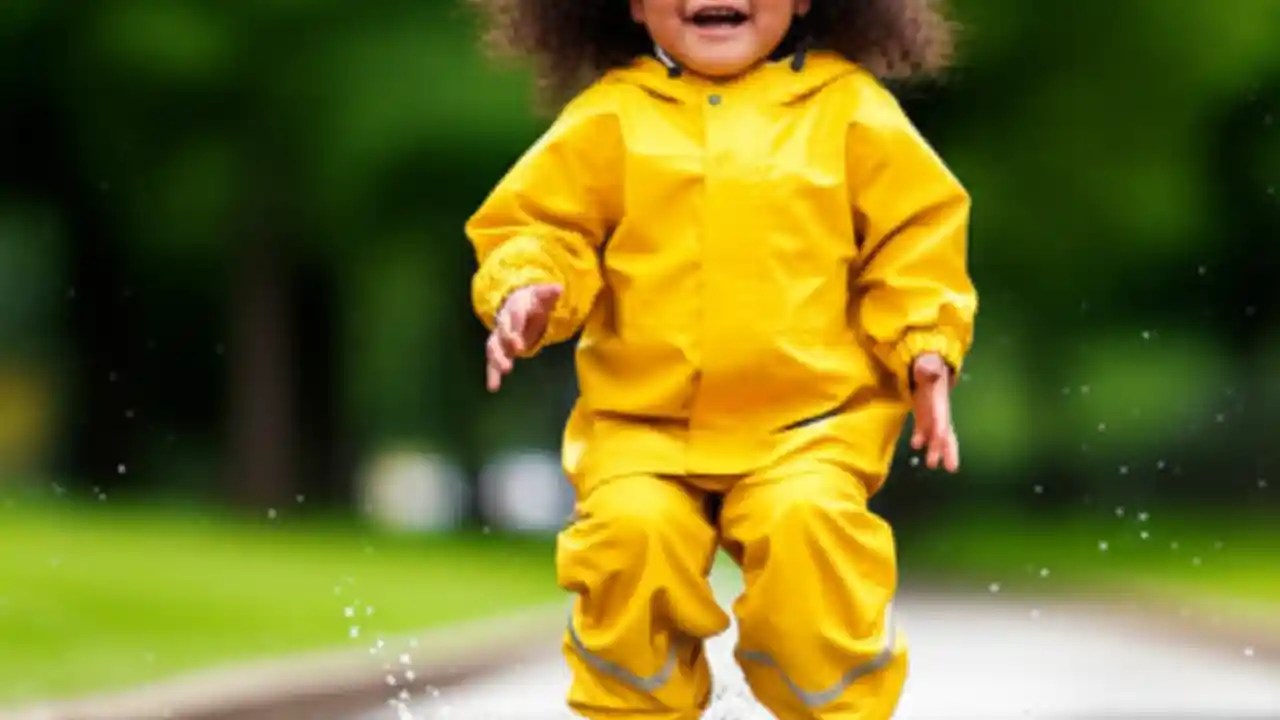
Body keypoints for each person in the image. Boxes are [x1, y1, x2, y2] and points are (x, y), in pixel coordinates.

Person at [465, 1, 977, 717]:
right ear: (635, 4)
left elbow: (914, 242)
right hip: (641, 429)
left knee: (810, 538)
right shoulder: (610, 117)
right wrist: (525, 289)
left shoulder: (851, 112)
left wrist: (925, 344)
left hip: (808, 428)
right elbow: (542, 227)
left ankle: (832, 706)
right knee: (629, 541)